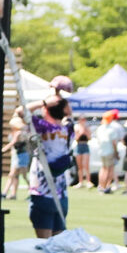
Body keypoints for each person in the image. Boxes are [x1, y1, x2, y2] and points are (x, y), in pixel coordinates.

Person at [27, 91, 75, 237]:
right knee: (57, 244)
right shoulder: (68, 129)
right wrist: (60, 101)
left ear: (46, 110)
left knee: (44, 244)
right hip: (61, 194)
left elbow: (20, 112)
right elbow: (68, 113)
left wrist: (44, 102)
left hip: (42, 191)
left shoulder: (42, 127)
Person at [1, 111, 30, 200]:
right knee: (14, 175)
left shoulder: (19, 133)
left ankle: (34, 191)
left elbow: (12, 143)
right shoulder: (15, 132)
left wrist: (2, 150)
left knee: (22, 175)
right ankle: (12, 193)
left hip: (22, 155)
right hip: (17, 155)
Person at [95, 110, 121, 193]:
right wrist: (116, 152)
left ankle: (101, 185)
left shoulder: (100, 128)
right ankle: (105, 187)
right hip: (109, 151)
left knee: (103, 168)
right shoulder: (111, 129)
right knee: (109, 170)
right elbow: (114, 143)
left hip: (102, 151)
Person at [72, 116, 92, 188]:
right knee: (80, 166)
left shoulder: (87, 128)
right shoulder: (76, 127)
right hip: (79, 146)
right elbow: (76, 138)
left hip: (85, 145)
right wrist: (81, 131)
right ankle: (80, 182)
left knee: (86, 165)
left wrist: (85, 130)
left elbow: (89, 138)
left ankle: (88, 181)